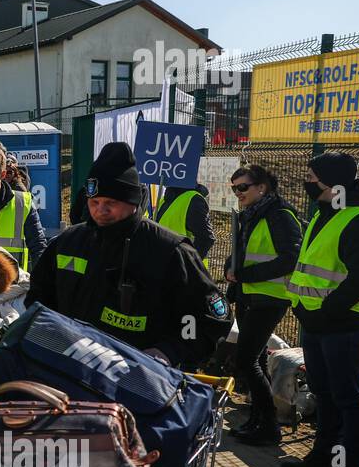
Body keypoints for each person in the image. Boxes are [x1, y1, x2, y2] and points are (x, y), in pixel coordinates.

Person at [27, 141, 232, 368]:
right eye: (94, 202)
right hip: (70, 372)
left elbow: (211, 317)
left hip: (139, 382)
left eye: (111, 203)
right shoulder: (68, 242)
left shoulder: (170, 251)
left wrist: (169, 351)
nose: (100, 210)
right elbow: (38, 299)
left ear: (133, 202)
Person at [280, 152, 359, 467]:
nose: (307, 182)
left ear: (332, 181)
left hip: (344, 326)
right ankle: (323, 457)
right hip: (317, 324)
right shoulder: (325, 214)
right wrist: (304, 309)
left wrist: (323, 314)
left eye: (312, 176)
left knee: (348, 399)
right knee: (324, 394)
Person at [224, 165, 301, 445]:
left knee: (245, 359)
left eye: (242, 187)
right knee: (253, 359)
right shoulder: (252, 215)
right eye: (234, 188)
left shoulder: (279, 215)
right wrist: (230, 269)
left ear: (262, 187)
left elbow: (289, 258)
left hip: (269, 298)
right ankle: (257, 420)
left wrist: (245, 275)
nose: (238, 193)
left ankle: (269, 425)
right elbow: (242, 252)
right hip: (248, 295)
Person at [156, 181, 215, 263]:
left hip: (182, 269)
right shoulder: (165, 199)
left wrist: (188, 264)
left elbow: (206, 238)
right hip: (165, 265)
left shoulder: (194, 199)